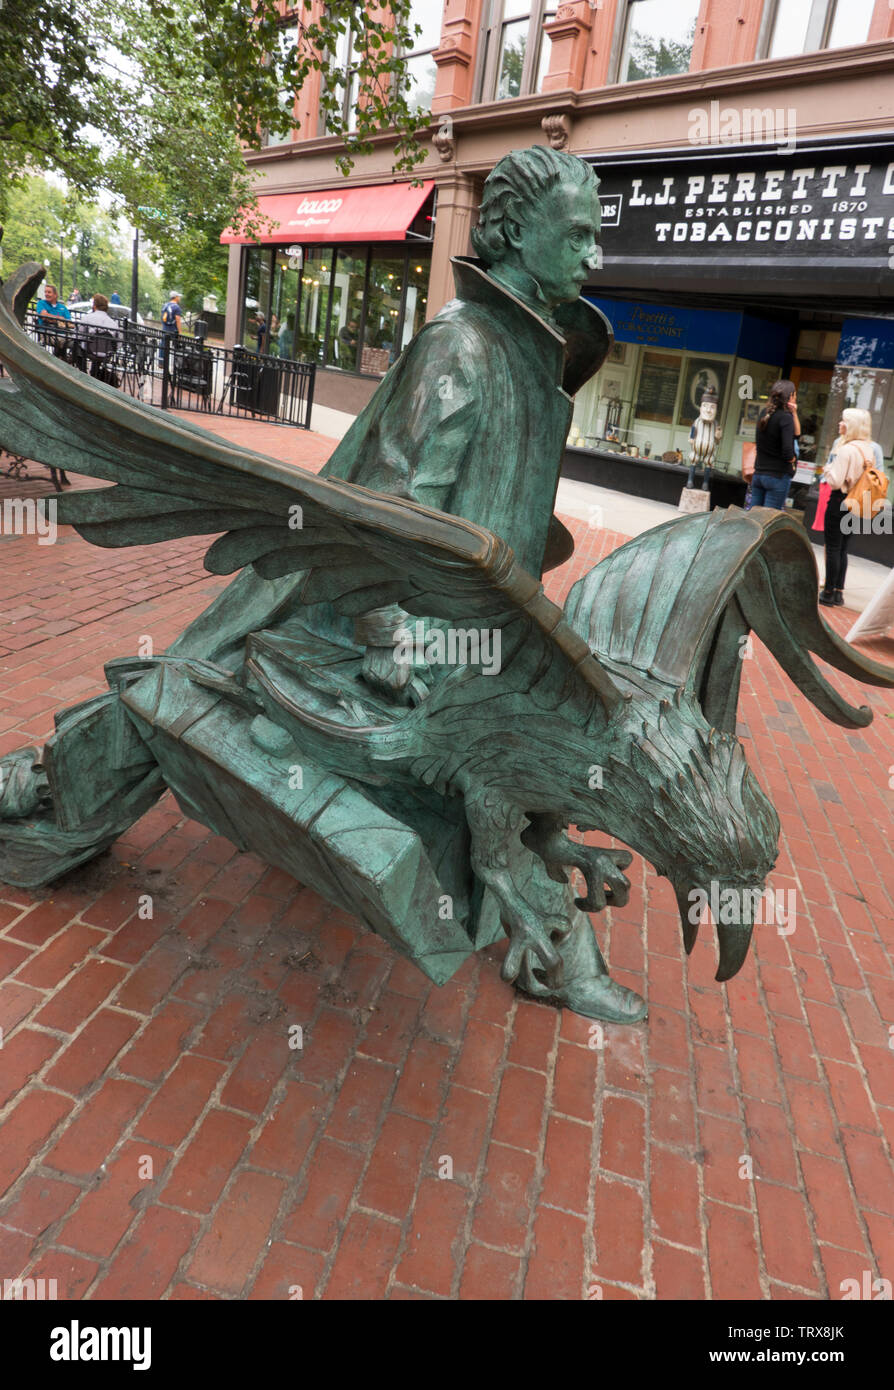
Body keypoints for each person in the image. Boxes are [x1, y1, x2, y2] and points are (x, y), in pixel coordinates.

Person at [819, 407, 877, 608]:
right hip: (857, 503)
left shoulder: (846, 450)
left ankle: (827, 592)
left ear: (851, 425)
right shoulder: (868, 449)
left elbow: (835, 482)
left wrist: (827, 469)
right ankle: (838, 592)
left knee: (833, 547)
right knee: (843, 548)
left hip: (839, 501)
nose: (840, 424)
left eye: (843, 421)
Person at [747, 379, 799, 510]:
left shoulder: (764, 414)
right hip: (777, 476)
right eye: (795, 395)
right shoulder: (785, 418)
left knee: (753, 519)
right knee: (768, 521)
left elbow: (796, 434)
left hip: (759, 474)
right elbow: (788, 450)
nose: (796, 398)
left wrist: (794, 413)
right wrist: (793, 460)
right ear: (790, 396)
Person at [158, 292, 182, 363]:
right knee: (177, 347)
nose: (179, 298)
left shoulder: (165, 305)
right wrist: (180, 332)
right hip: (173, 330)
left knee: (163, 345)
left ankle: (161, 362)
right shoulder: (176, 307)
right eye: (179, 297)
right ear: (176, 297)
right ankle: (177, 364)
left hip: (165, 328)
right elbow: (178, 320)